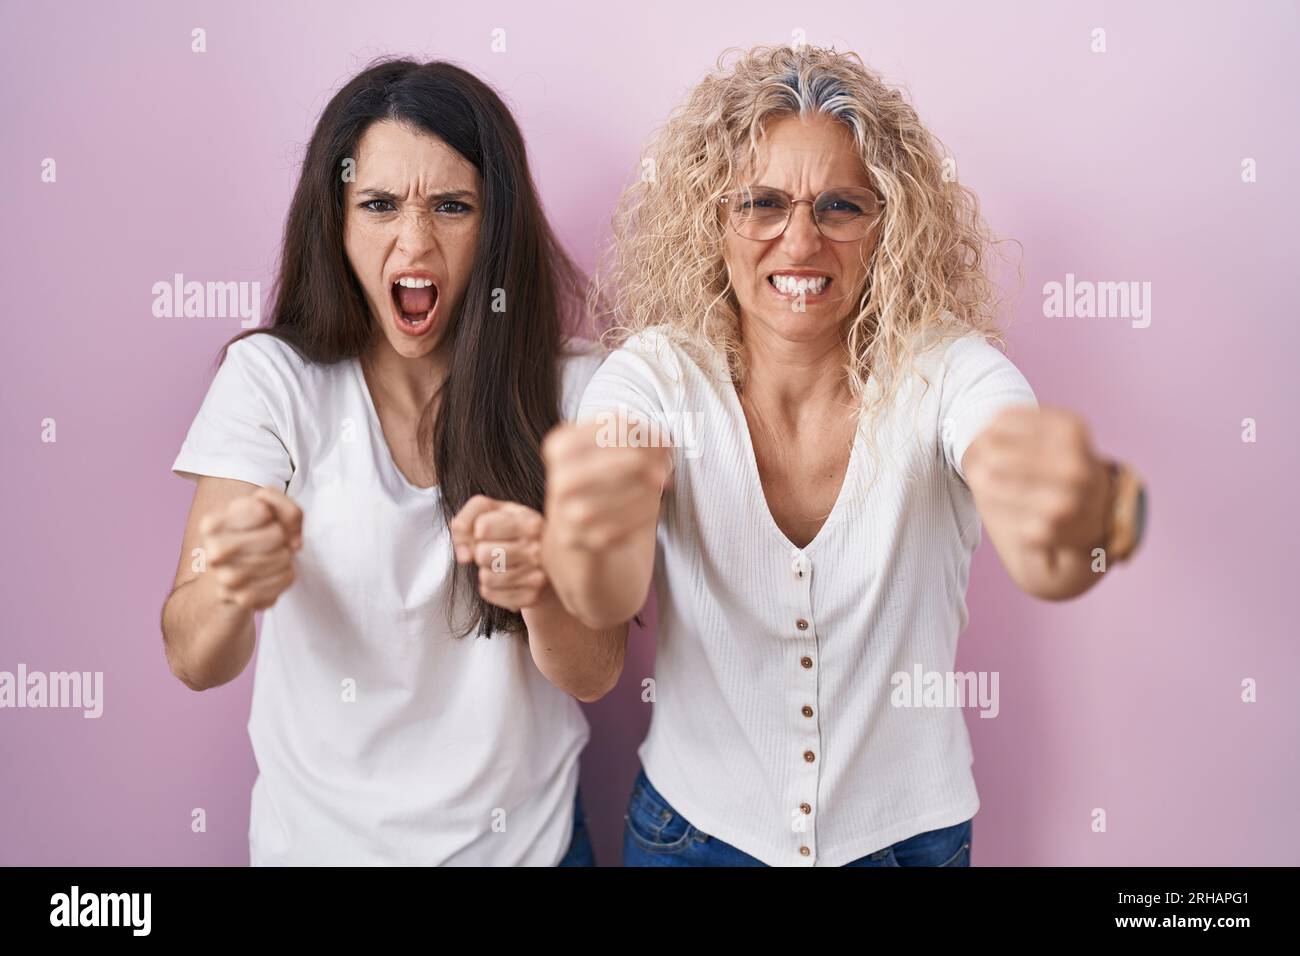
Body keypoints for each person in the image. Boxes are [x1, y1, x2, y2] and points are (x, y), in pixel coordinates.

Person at [540, 45, 1146, 867]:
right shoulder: (654, 374)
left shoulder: (946, 370)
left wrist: (1061, 523)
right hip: (690, 840)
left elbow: (1035, 519)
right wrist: (592, 531)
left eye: (839, 206)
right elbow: (600, 611)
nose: (800, 239)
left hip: (908, 843)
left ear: (885, 224)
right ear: (712, 220)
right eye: (760, 202)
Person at [160, 59, 625, 866]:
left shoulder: (578, 392)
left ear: (496, 227)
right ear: (334, 222)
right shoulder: (272, 382)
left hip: (532, 849)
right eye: (378, 206)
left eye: (452, 206)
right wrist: (234, 584)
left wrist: (542, 587)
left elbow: (594, 673)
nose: (414, 242)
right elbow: (194, 659)